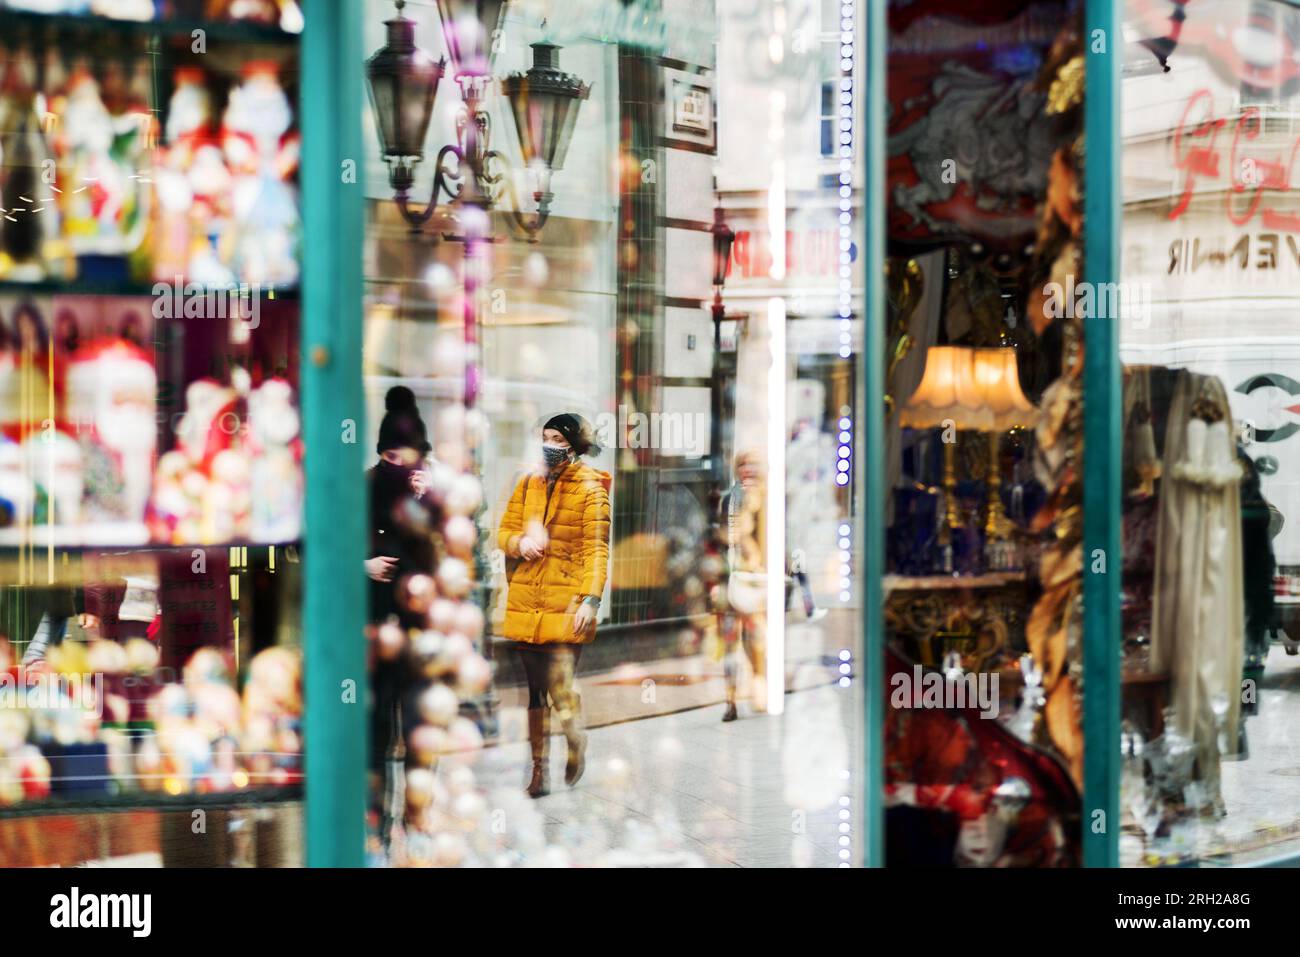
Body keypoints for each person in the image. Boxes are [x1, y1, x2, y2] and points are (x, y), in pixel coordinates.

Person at [497, 413, 610, 798]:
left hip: (568, 603)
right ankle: (538, 770)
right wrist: (518, 544)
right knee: (534, 692)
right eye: (545, 436)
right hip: (528, 599)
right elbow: (504, 531)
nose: (550, 445)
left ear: (574, 445)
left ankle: (575, 737)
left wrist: (590, 600)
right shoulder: (529, 480)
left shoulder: (592, 488)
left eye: (558, 439)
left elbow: (597, 549)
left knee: (559, 687)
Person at [365, 385, 439, 835]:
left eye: (406, 457)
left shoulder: (433, 488)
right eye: (390, 458)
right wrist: (365, 565)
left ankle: (418, 818)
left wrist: (432, 500)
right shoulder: (365, 485)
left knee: (419, 729)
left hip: (422, 627)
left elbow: (460, 544)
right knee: (375, 730)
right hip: (373, 625)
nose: (399, 466)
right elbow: (331, 544)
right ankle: (376, 821)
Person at [717, 448, 769, 722]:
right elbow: (720, 537)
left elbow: (773, 541)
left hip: (757, 581)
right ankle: (730, 699)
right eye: (742, 465)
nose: (747, 469)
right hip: (730, 578)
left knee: (756, 637)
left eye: (752, 464)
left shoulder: (769, 501)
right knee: (729, 640)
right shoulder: (730, 500)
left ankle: (758, 681)